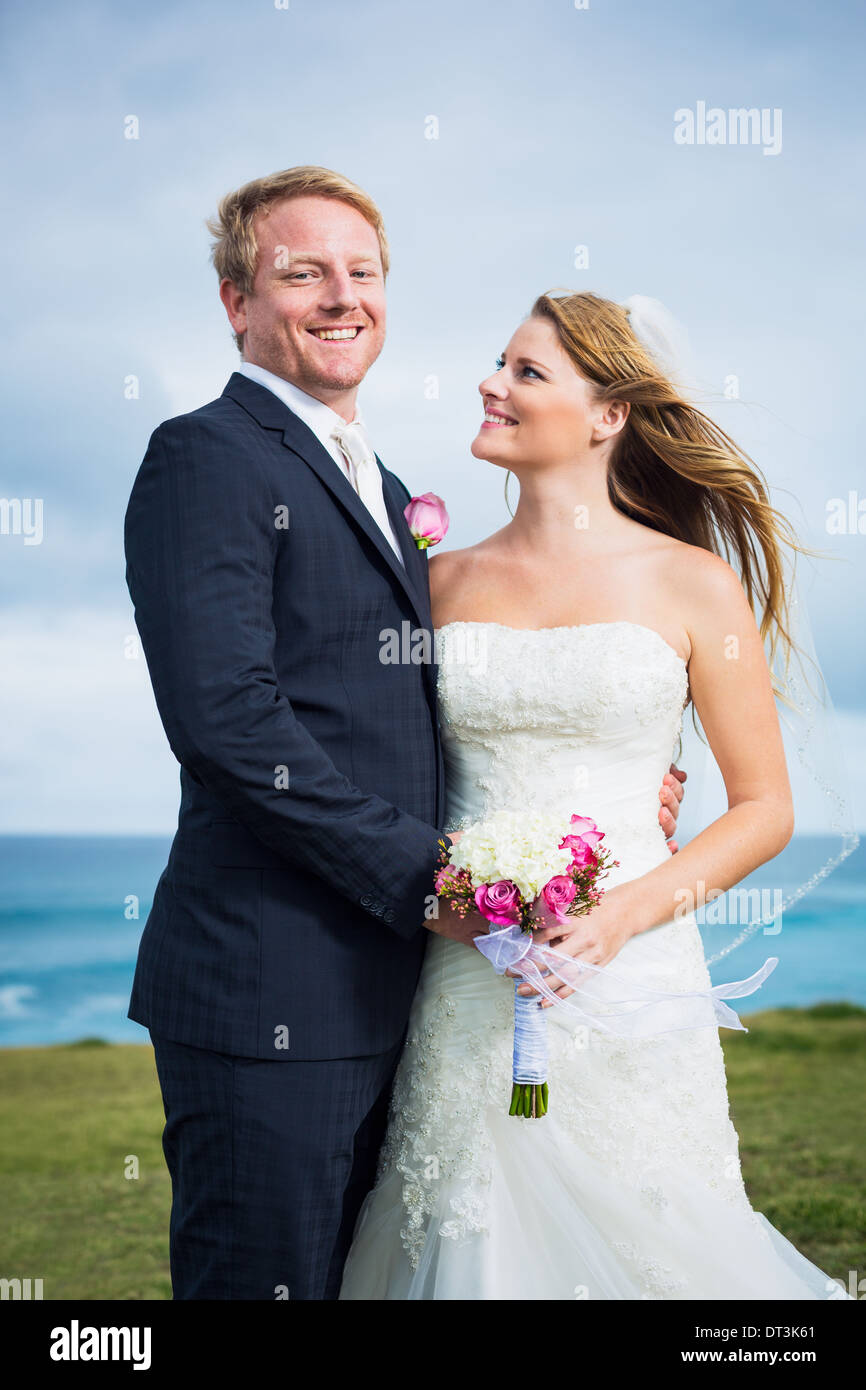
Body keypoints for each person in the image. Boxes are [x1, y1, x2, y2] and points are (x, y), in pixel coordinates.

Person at [123, 165, 687, 1300]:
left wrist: (616, 783)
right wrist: (439, 880)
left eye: (362, 272)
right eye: (302, 273)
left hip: (409, 1001)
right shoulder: (205, 457)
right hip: (268, 987)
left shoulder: (386, 490)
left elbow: (412, 703)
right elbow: (229, 721)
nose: (342, 296)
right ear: (237, 300)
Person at [338, 291, 849, 1300]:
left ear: (607, 414)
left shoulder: (694, 583)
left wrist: (616, 918)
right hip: (462, 966)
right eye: (497, 363)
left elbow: (762, 808)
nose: (489, 383)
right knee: (464, 1218)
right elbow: (379, 777)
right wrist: (444, 899)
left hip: (629, 963)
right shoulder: (433, 584)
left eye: (526, 372)